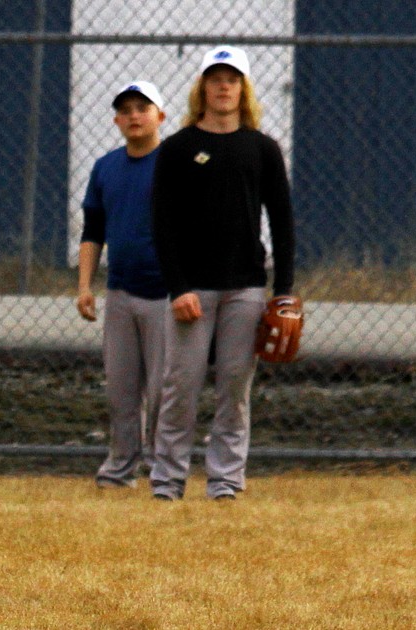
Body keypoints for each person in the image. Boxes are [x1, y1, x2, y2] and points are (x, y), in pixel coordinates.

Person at [148, 46, 295, 501]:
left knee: (234, 386)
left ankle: (225, 481)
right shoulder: (177, 148)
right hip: (193, 289)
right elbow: (162, 222)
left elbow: (283, 220)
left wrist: (284, 291)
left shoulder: (263, 148)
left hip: (245, 286)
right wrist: (178, 287)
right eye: (215, 78)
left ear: (243, 89)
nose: (224, 86)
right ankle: (167, 481)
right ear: (203, 89)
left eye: (232, 79)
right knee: (181, 386)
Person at [76, 80, 169, 488]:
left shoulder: (174, 164)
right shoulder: (106, 167)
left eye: (143, 108)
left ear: (160, 116)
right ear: (116, 120)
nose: (134, 116)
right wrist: (84, 286)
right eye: (126, 110)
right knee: (121, 389)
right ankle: (119, 469)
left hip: (166, 293)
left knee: (165, 388)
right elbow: (93, 230)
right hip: (120, 291)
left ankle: (162, 467)